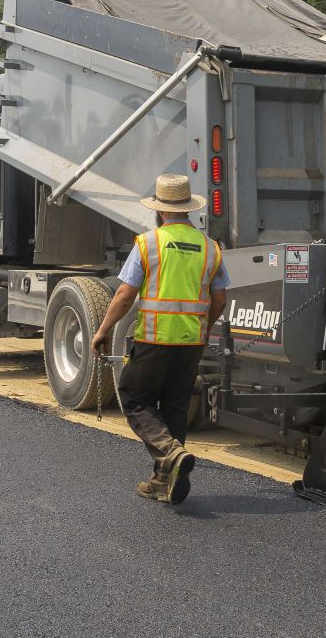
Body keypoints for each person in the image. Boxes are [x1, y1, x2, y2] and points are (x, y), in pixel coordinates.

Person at [91, 173, 230, 505]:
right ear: (187, 209)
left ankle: (169, 451)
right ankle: (164, 482)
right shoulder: (211, 249)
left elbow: (125, 295)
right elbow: (221, 300)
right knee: (174, 408)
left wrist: (103, 330)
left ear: (159, 209)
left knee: (135, 398)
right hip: (191, 343)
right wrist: (204, 328)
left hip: (155, 339)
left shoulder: (148, 243)